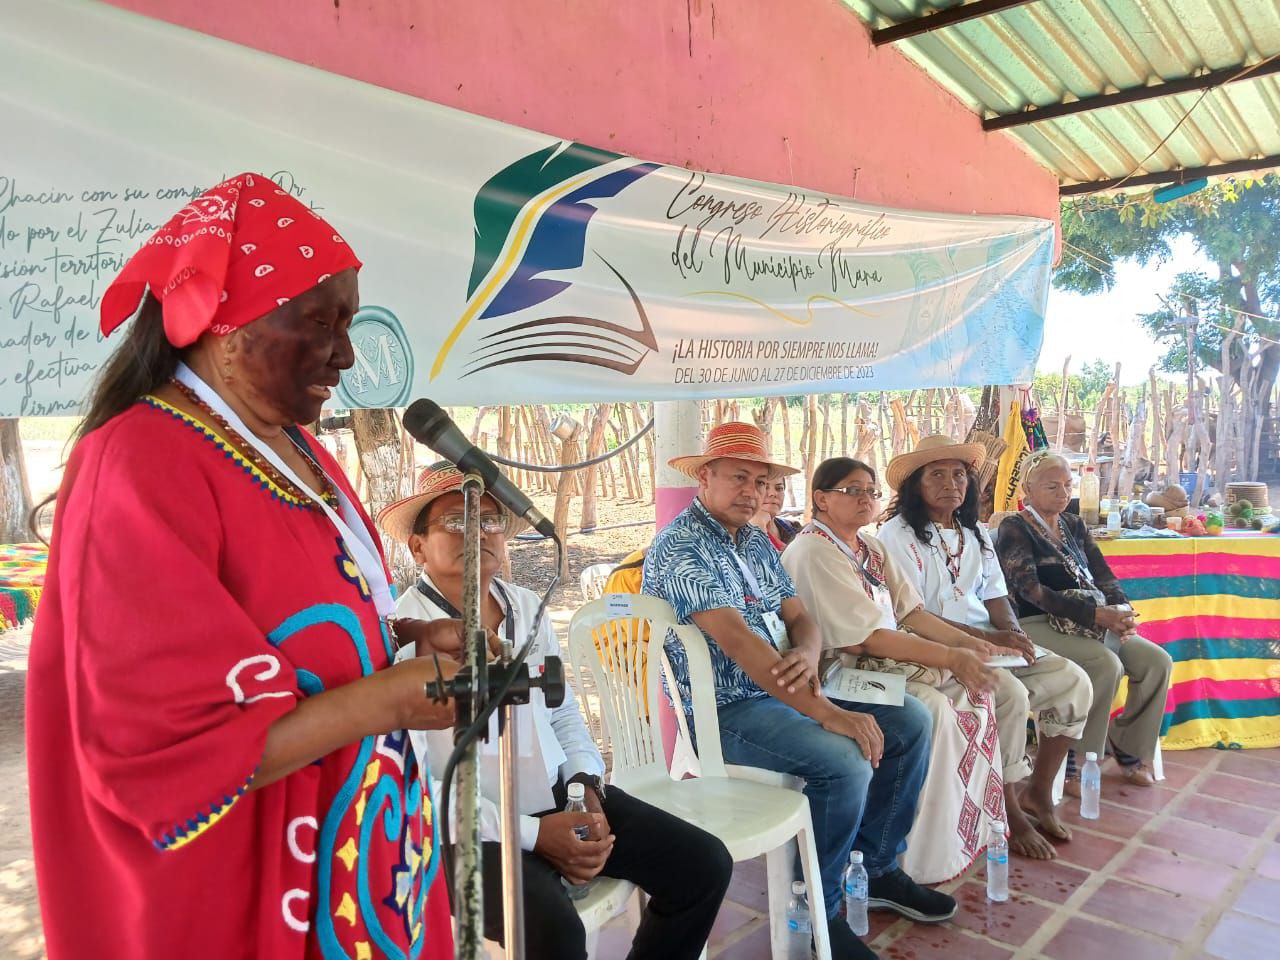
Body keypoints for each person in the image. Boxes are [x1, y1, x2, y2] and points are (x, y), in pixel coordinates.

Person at [26, 174, 458, 959]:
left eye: (349, 322)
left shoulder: (294, 446)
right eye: (318, 322)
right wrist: (388, 699)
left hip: (356, 853)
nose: (346, 352)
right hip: (236, 886)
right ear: (224, 326)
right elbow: (164, 741)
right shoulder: (138, 460)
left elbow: (285, 628)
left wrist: (398, 638)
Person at [381, 463, 732, 960]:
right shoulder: (404, 637)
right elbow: (428, 786)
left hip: (554, 798)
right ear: (417, 548)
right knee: (555, 934)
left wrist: (583, 786)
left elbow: (561, 709)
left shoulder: (528, 606)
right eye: (455, 522)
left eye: (489, 520)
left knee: (703, 865)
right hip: (468, 833)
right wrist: (535, 835)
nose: (477, 532)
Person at [642, 423, 952, 960]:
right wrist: (829, 713)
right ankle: (818, 912)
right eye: (740, 477)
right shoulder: (680, 546)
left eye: (762, 482)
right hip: (728, 710)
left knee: (911, 721)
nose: (753, 492)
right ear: (704, 476)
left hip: (788, 688)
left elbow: (799, 616)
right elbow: (740, 645)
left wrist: (807, 653)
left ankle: (875, 866)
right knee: (845, 760)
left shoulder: (757, 541)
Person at [783, 456, 1010, 883]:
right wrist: (949, 657)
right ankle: (904, 858)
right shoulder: (814, 549)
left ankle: (952, 836)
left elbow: (912, 612)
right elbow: (863, 639)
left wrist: (968, 644)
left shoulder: (869, 545)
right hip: (839, 672)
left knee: (976, 691)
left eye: (871, 490)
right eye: (852, 491)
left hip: (882, 662)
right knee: (931, 707)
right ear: (821, 499)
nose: (865, 499)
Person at [878, 437, 1094, 860]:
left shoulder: (974, 532)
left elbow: (996, 596)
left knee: (1074, 682)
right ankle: (1009, 811)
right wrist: (989, 641)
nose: (950, 484)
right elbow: (910, 615)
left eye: (958, 474)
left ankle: (1038, 794)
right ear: (914, 485)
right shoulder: (895, 535)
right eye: (936, 474)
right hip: (937, 645)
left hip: (988, 642)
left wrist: (1014, 633)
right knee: (1007, 694)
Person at [997, 451, 1173, 789]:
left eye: (1067, 485)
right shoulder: (1014, 527)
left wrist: (1122, 611)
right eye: (1052, 486)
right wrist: (1097, 615)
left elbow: (1104, 576)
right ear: (1027, 489)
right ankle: (1078, 757)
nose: (1063, 493)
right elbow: (1032, 591)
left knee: (1156, 662)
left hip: (1091, 623)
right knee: (1105, 664)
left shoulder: (1074, 524)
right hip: (1037, 624)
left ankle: (1129, 746)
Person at [750, 474, 800, 550]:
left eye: (779, 488)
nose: (773, 493)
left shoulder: (793, 528)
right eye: (765, 487)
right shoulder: (736, 536)